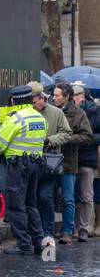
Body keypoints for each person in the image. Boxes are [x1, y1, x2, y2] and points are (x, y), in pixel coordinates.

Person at [0, 85, 47, 256]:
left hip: (18, 167)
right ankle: (39, 241)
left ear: (13, 100)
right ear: (30, 99)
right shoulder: (39, 117)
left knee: (16, 205)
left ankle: (23, 243)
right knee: (31, 204)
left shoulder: (15, 119)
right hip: (36, 165)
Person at [52, 80, 90, 243]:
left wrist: (67, 138)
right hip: (50, 162)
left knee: (69, 198)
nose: (53, 98)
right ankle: (48, 229)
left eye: (57, 95)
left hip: (68, 162)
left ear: (66, 97)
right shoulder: (50, 110)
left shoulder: (79, 113)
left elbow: (87, 136)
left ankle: (67, 231)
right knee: (48, 196)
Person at [34, 84, 69, 239]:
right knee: (32, 198)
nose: (35, 104)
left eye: (37, 100)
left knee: (44, 196)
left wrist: (50, 140)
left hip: (49, 162)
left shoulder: (56, 112)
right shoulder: (26, 112)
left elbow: (67, 133)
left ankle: (47, 231)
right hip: (30, 161)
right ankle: (36, 231)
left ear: (43, 98)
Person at [78, 84, 100, 241]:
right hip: (74, 157)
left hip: (89, 156)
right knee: (74, 194)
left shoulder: (94, 111)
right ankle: (79, 226)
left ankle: (89, 226)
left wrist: (87, 139)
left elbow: (95, 135)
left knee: (88, 193)